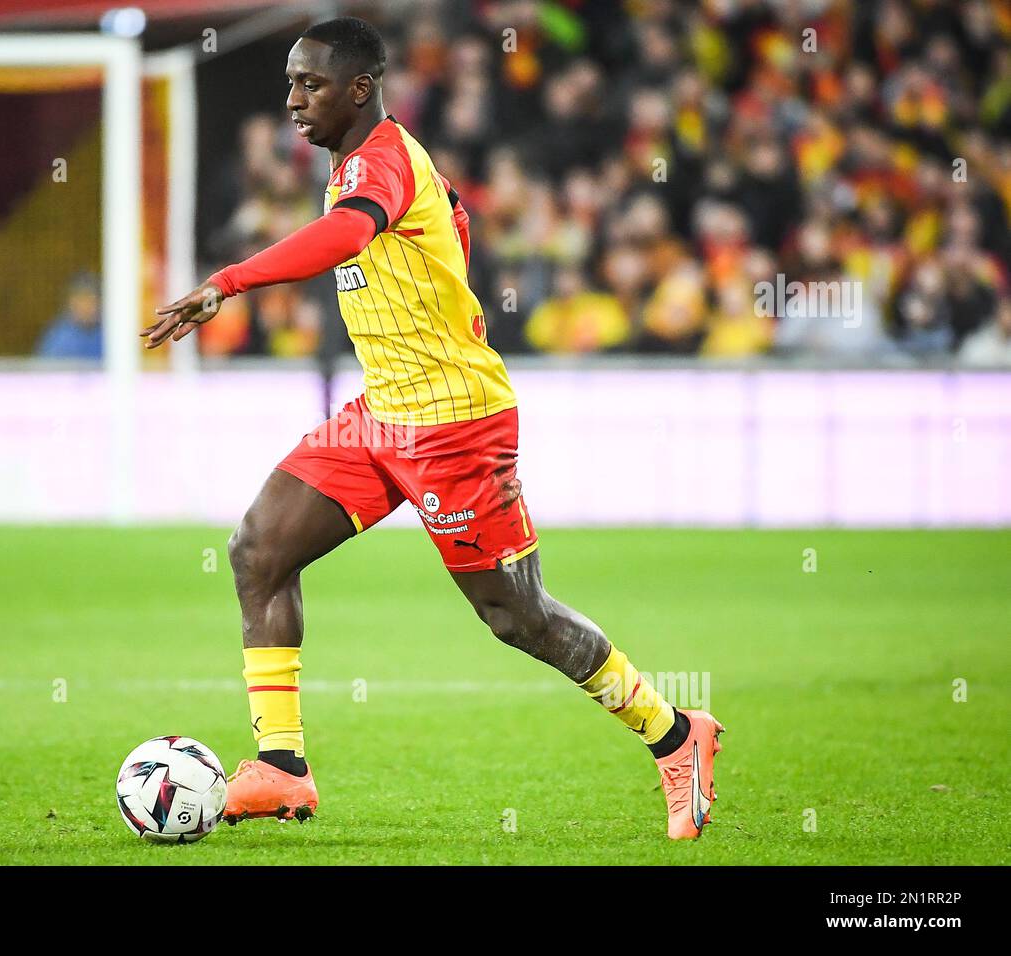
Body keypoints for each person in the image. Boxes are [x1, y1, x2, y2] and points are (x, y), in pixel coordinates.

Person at [147, 17, 723, 840]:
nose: (292, 101)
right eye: (287, 83)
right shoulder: (360, 161)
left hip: (455, 423)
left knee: (516, 617)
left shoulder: (380, 159)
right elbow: (438, 227)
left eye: (310, 84)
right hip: (382, 413)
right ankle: (282, 767)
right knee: (259, 550)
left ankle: (674, 735)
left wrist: (227, 283)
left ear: (360, 87)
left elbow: (349, 232)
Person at [35, 272, 102, 360]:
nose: (86, 307)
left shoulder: (110, 333)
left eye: (91, 300)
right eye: (81, 300)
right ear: (70, 303)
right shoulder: (58, 336)